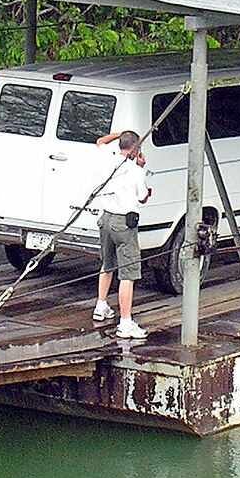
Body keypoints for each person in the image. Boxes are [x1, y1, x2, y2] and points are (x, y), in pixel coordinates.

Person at [89, 129, 153, 341]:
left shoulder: (105, 158)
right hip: (124, 223)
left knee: (107, 264)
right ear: (136, 150)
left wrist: (118, 134)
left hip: (106, 218)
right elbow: (143, 197)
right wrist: (141, 168)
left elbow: (100, 141)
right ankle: (125, 323)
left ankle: (101, 306)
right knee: (128, 273)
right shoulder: (135, 171)